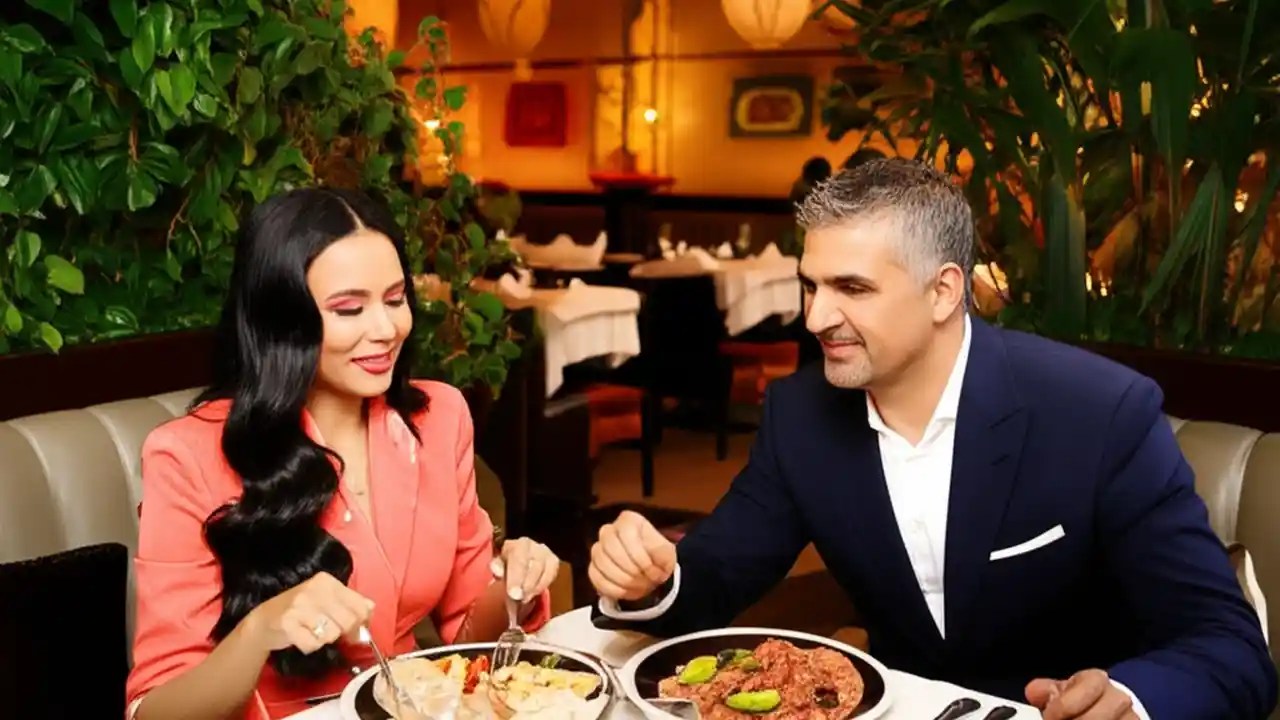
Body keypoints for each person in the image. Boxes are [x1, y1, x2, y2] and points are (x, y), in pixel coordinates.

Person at [588, 159, 1277, 720]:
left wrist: (1131, 699)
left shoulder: (1100, 413)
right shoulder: (801, 415)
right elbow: (716, 575)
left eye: (851, 288)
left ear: (945, 291)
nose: (816, 317)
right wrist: (650, 578)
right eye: (811, 286)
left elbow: (1229, 649)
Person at [125, 188, 561, 719]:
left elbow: (468, 639)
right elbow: (155, 710)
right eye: (349, 308)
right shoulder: (186, 456)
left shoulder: (439, 419)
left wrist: (510, 584)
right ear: (282, 319)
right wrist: (261, 629)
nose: (385, 329)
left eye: (396, 299)